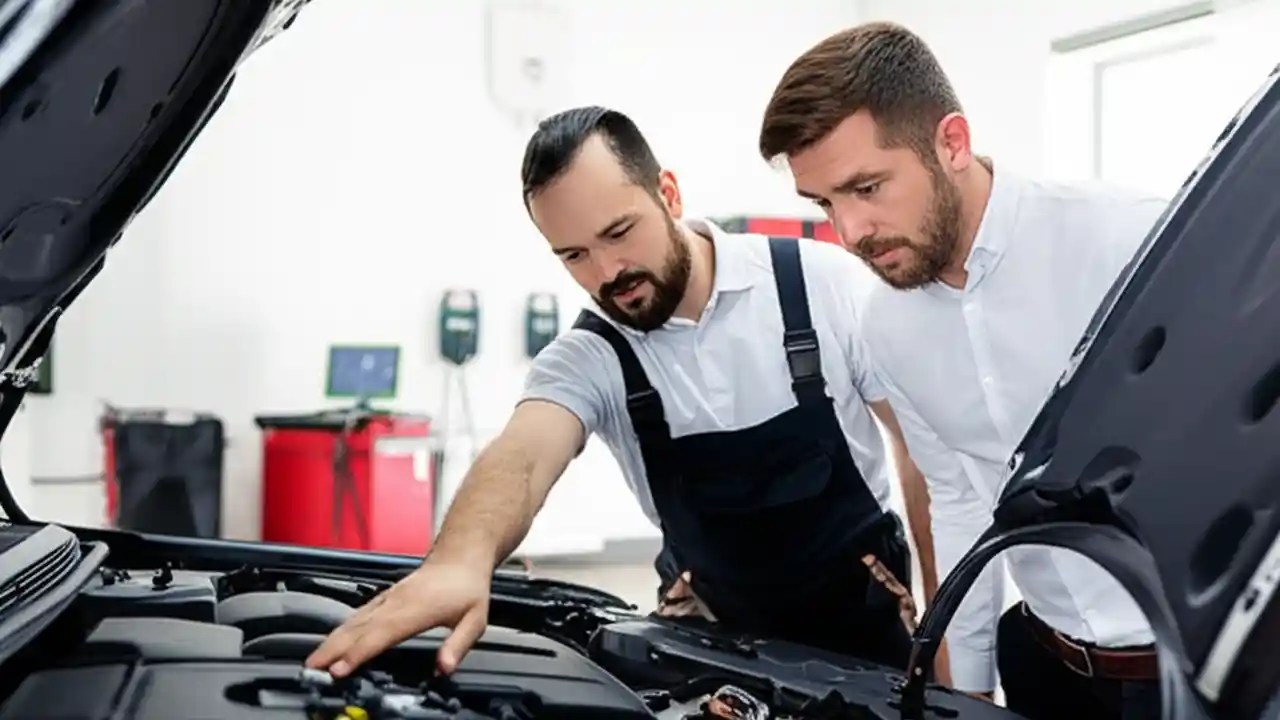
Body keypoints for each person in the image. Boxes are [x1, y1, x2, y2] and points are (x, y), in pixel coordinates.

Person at [305, 105, 941, 681]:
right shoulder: (592, 355)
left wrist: (947, 643)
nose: (607, 274)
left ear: (667, 192)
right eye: (574, 255)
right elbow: (524, 455)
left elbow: (922, 456)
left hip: (869, 640)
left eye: (619, 233)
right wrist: (459, 560)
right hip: (717, 655)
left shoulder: (818, 283)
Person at [756, 22, 1168, 720]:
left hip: (1209, 669)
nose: (849, 232)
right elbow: (961, 500)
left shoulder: (1128, 241)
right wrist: (966, 689)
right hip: (1047, 670)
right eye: (826, 204)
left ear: (951, 142)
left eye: (867, 187)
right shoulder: (886, 323)